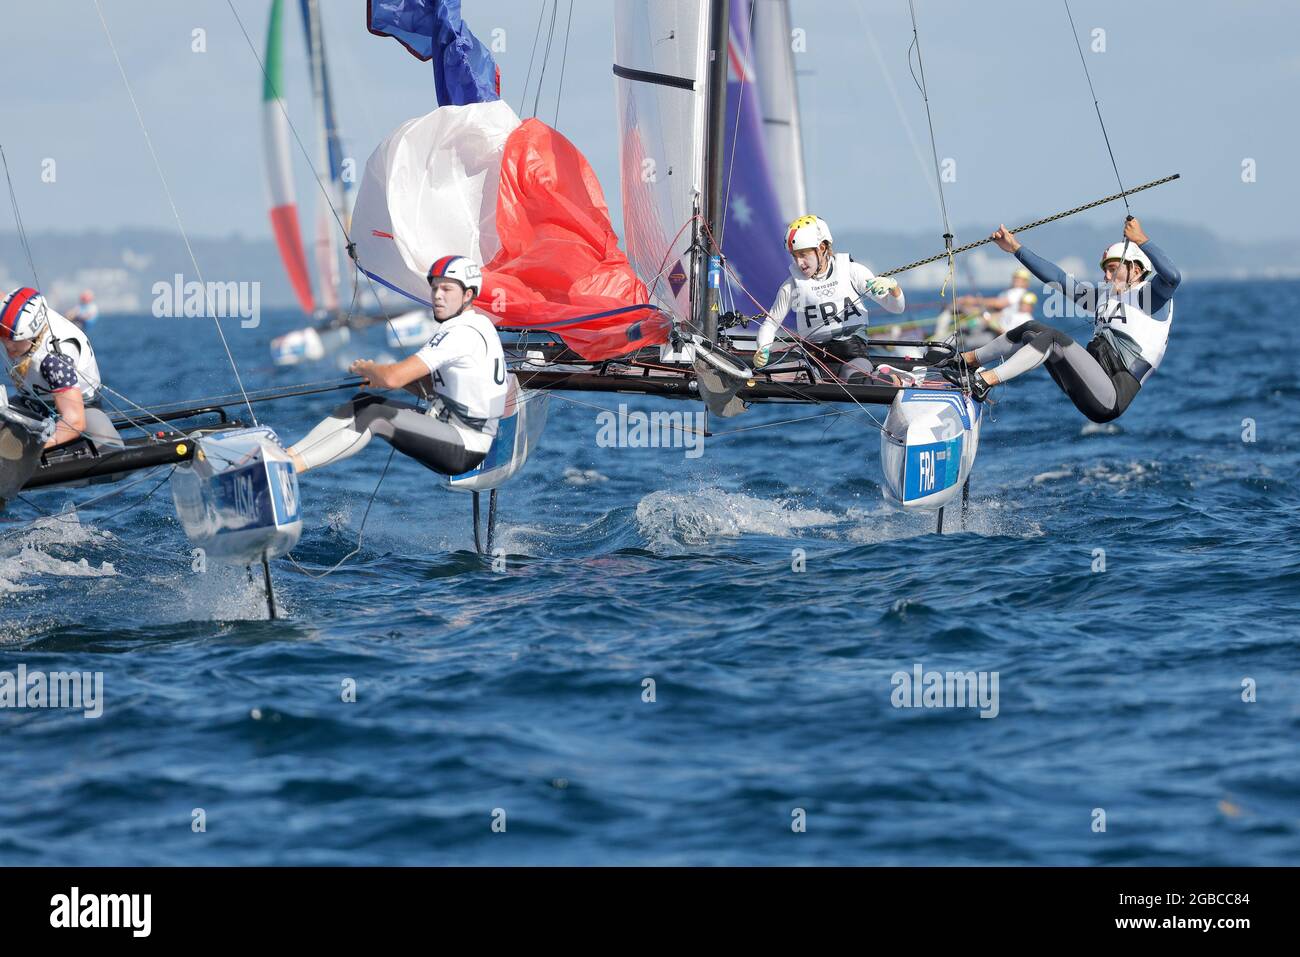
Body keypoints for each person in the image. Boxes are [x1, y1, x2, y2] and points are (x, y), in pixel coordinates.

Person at [939, 217, 1179, 422]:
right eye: (1104, 270)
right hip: (1089, 382)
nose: (1106, 276)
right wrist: (1015, 248)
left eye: (1113, 268)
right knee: (1031, 329)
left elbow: (1172, 277)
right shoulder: (1105, 298)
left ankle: (983, 381)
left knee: (1053, 339)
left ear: (1136, 271)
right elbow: (1059, 279)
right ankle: (965, 361)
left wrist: (1141, 239)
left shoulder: (1153, 297)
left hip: (1110, 397)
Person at [286, 255, 506, 476]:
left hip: (464, 445)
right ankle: (288, 455)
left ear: (468, 295)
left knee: (375, 415)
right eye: (435, 288)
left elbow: (393, 378)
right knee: (364, 402)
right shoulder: (477, 324)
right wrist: (381, 375)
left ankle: (292, 467)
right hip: (450, 428)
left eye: (447, 290)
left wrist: (370, 369)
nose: (437, 296)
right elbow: (433, 390)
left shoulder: (461, 333)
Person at [753, 215, 905, 382]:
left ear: (822, 248)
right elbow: (770, 324)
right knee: (760, 379)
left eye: (804, 254)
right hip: (813, 363)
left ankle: (897, 380)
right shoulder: (791, 286)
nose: (799, 262)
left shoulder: (853, 272)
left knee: (854, 380)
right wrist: (763, 349)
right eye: (794, 256)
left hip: (852, 359)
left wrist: (893, 288)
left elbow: (896, 308)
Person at [0, 286, 121, 450]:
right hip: (30, 404)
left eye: (14, 340)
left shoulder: (54, 360)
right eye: (2, 336)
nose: (8, 345)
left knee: (106, 443)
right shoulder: (7, 320)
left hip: (81, 410)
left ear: (33, 336)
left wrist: (32, 451)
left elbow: (75, 420)